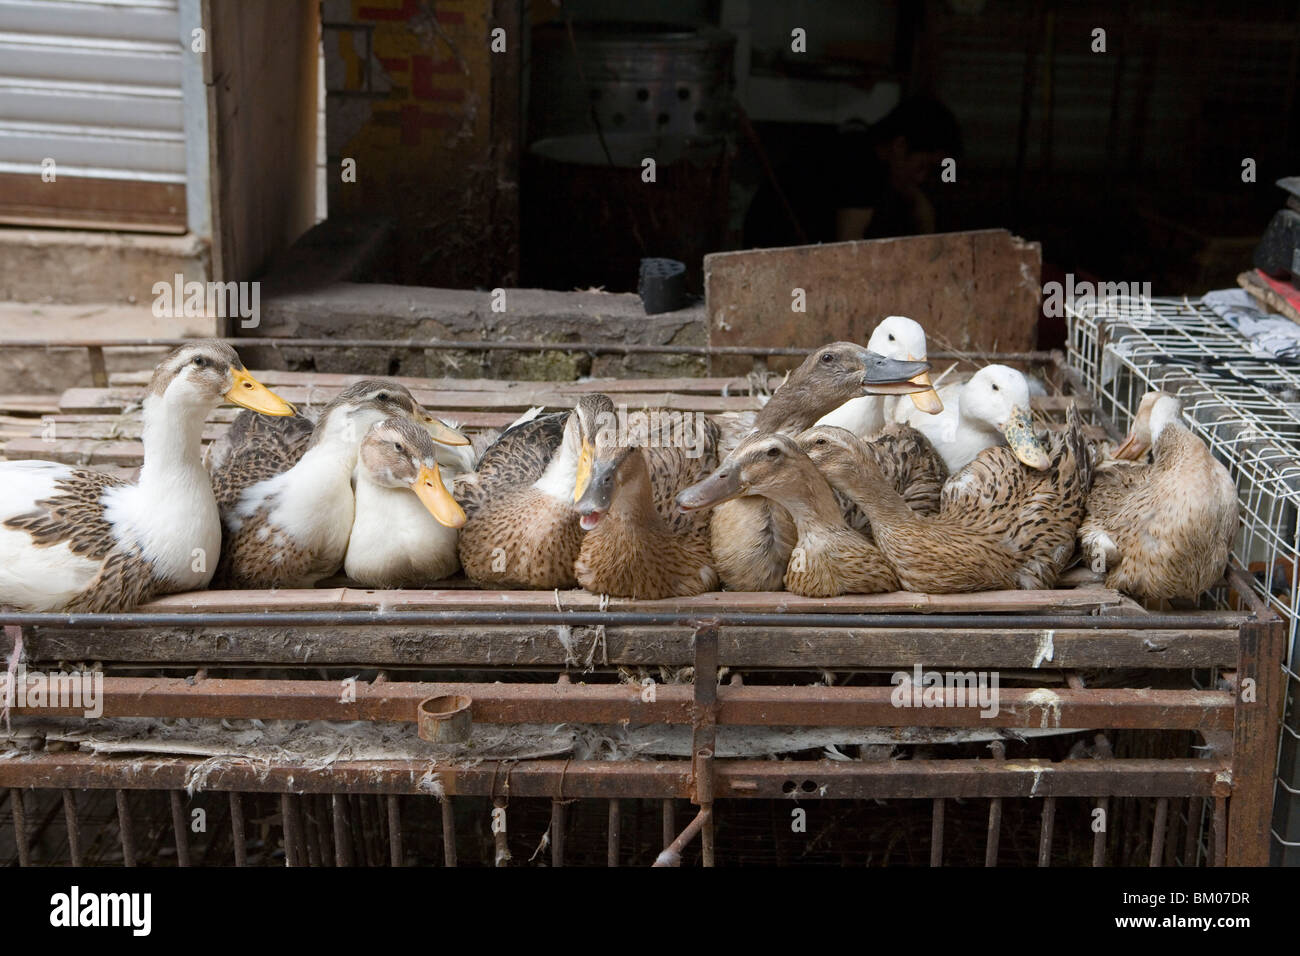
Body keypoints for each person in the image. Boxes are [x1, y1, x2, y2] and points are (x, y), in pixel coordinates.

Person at [743, 97, 962, 248]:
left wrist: (920, 204)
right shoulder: (861, 167)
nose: (921, 178)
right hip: (771, 255)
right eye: (922, 166)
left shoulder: (862, 146)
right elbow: (849, 253)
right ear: (899, 145)